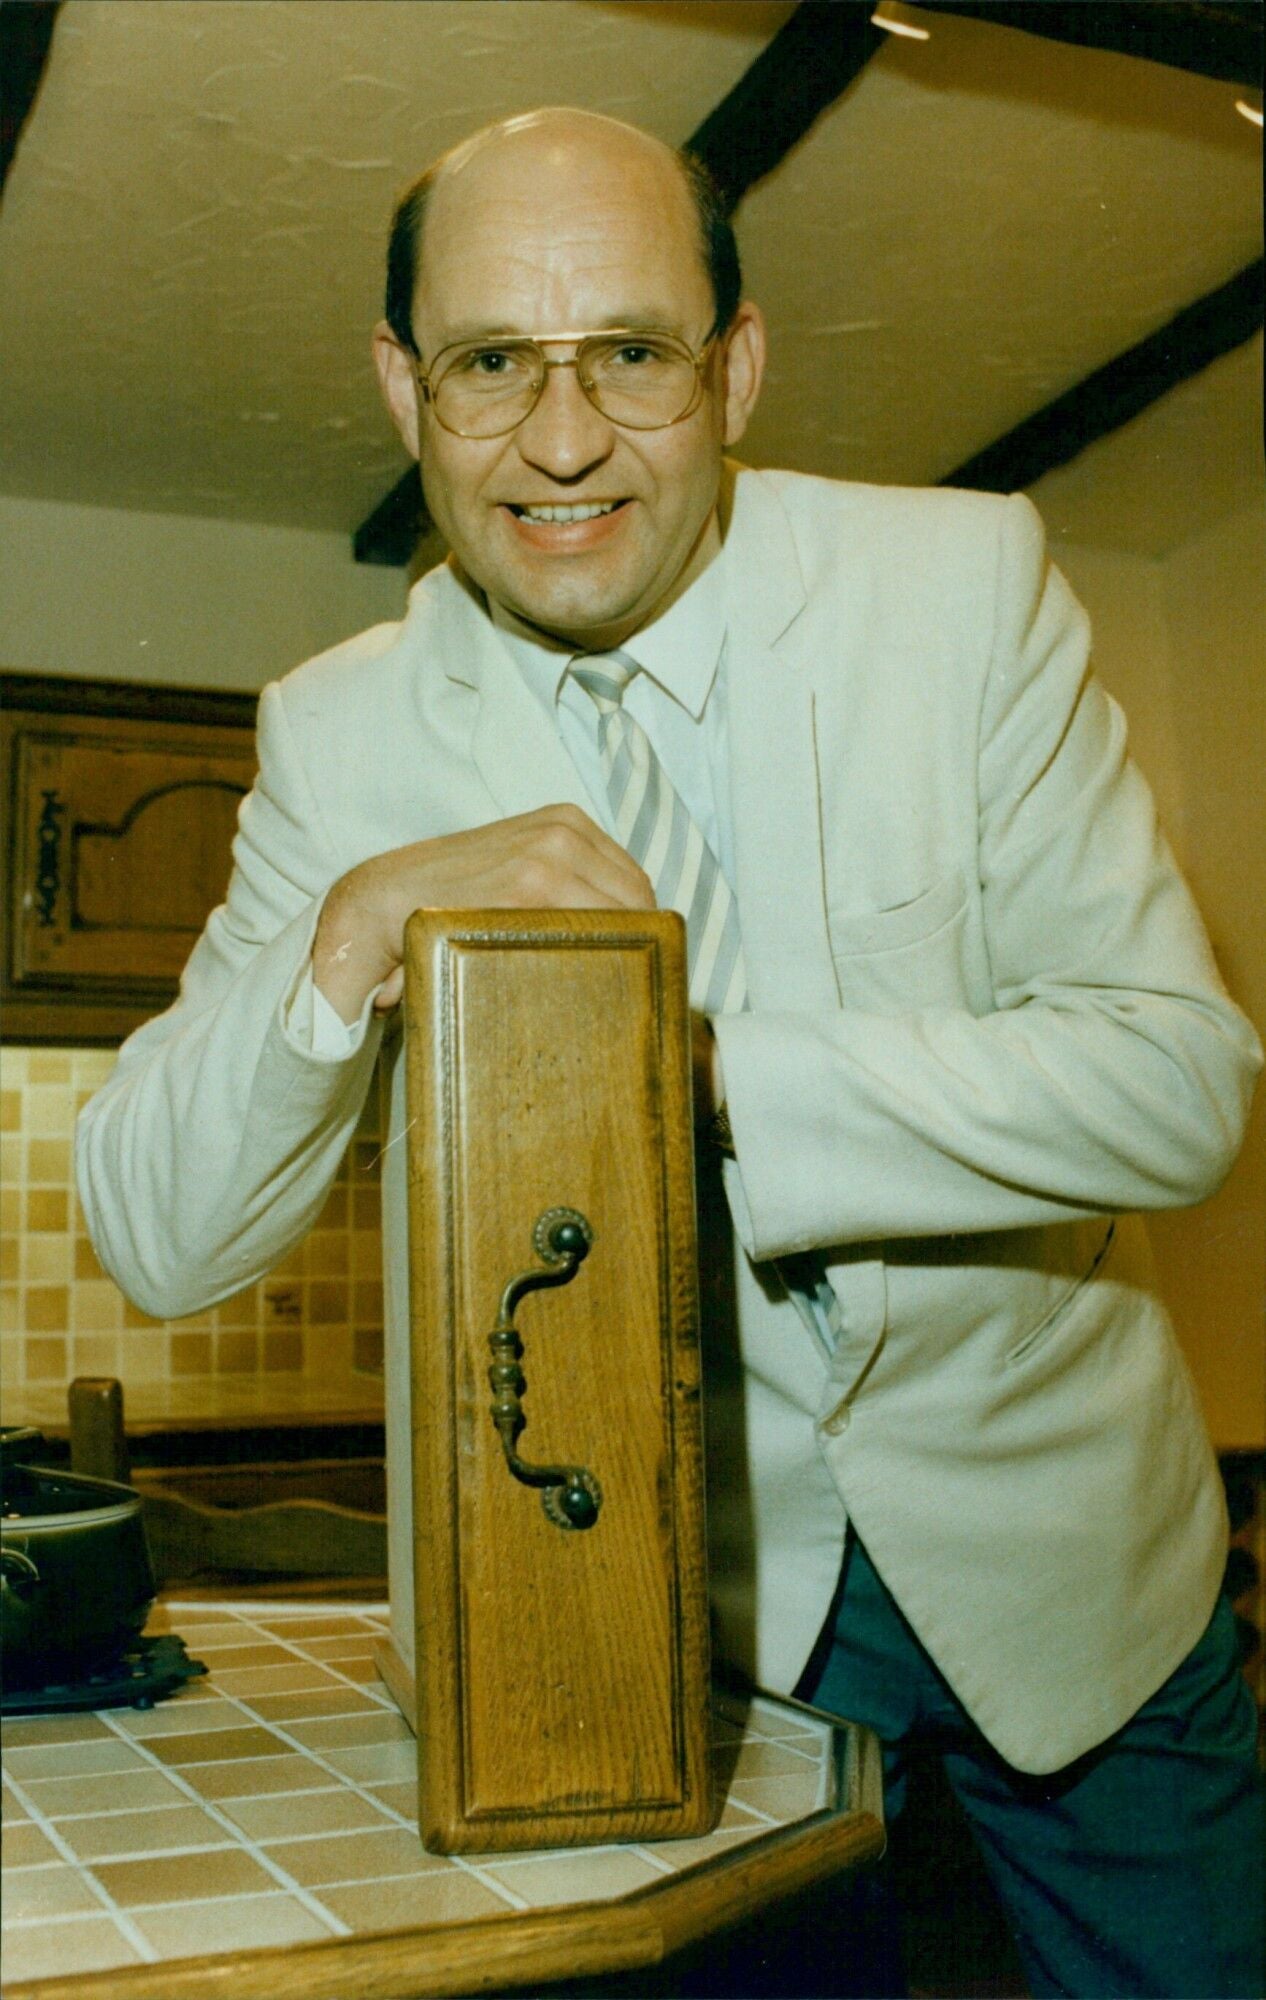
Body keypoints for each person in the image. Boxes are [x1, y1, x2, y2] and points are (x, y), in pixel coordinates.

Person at [77, 108, 1263, 1996]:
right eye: (490, 363)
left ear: (736, 366)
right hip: (655, 1638)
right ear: (401, 387)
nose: (561, 444)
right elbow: (156, 1236)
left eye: (629, 351)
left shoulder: (963, 590)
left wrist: (680, 1067)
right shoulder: (336, 735)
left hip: (1083, 1595)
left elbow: (1177, 1084)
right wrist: (354, 927)